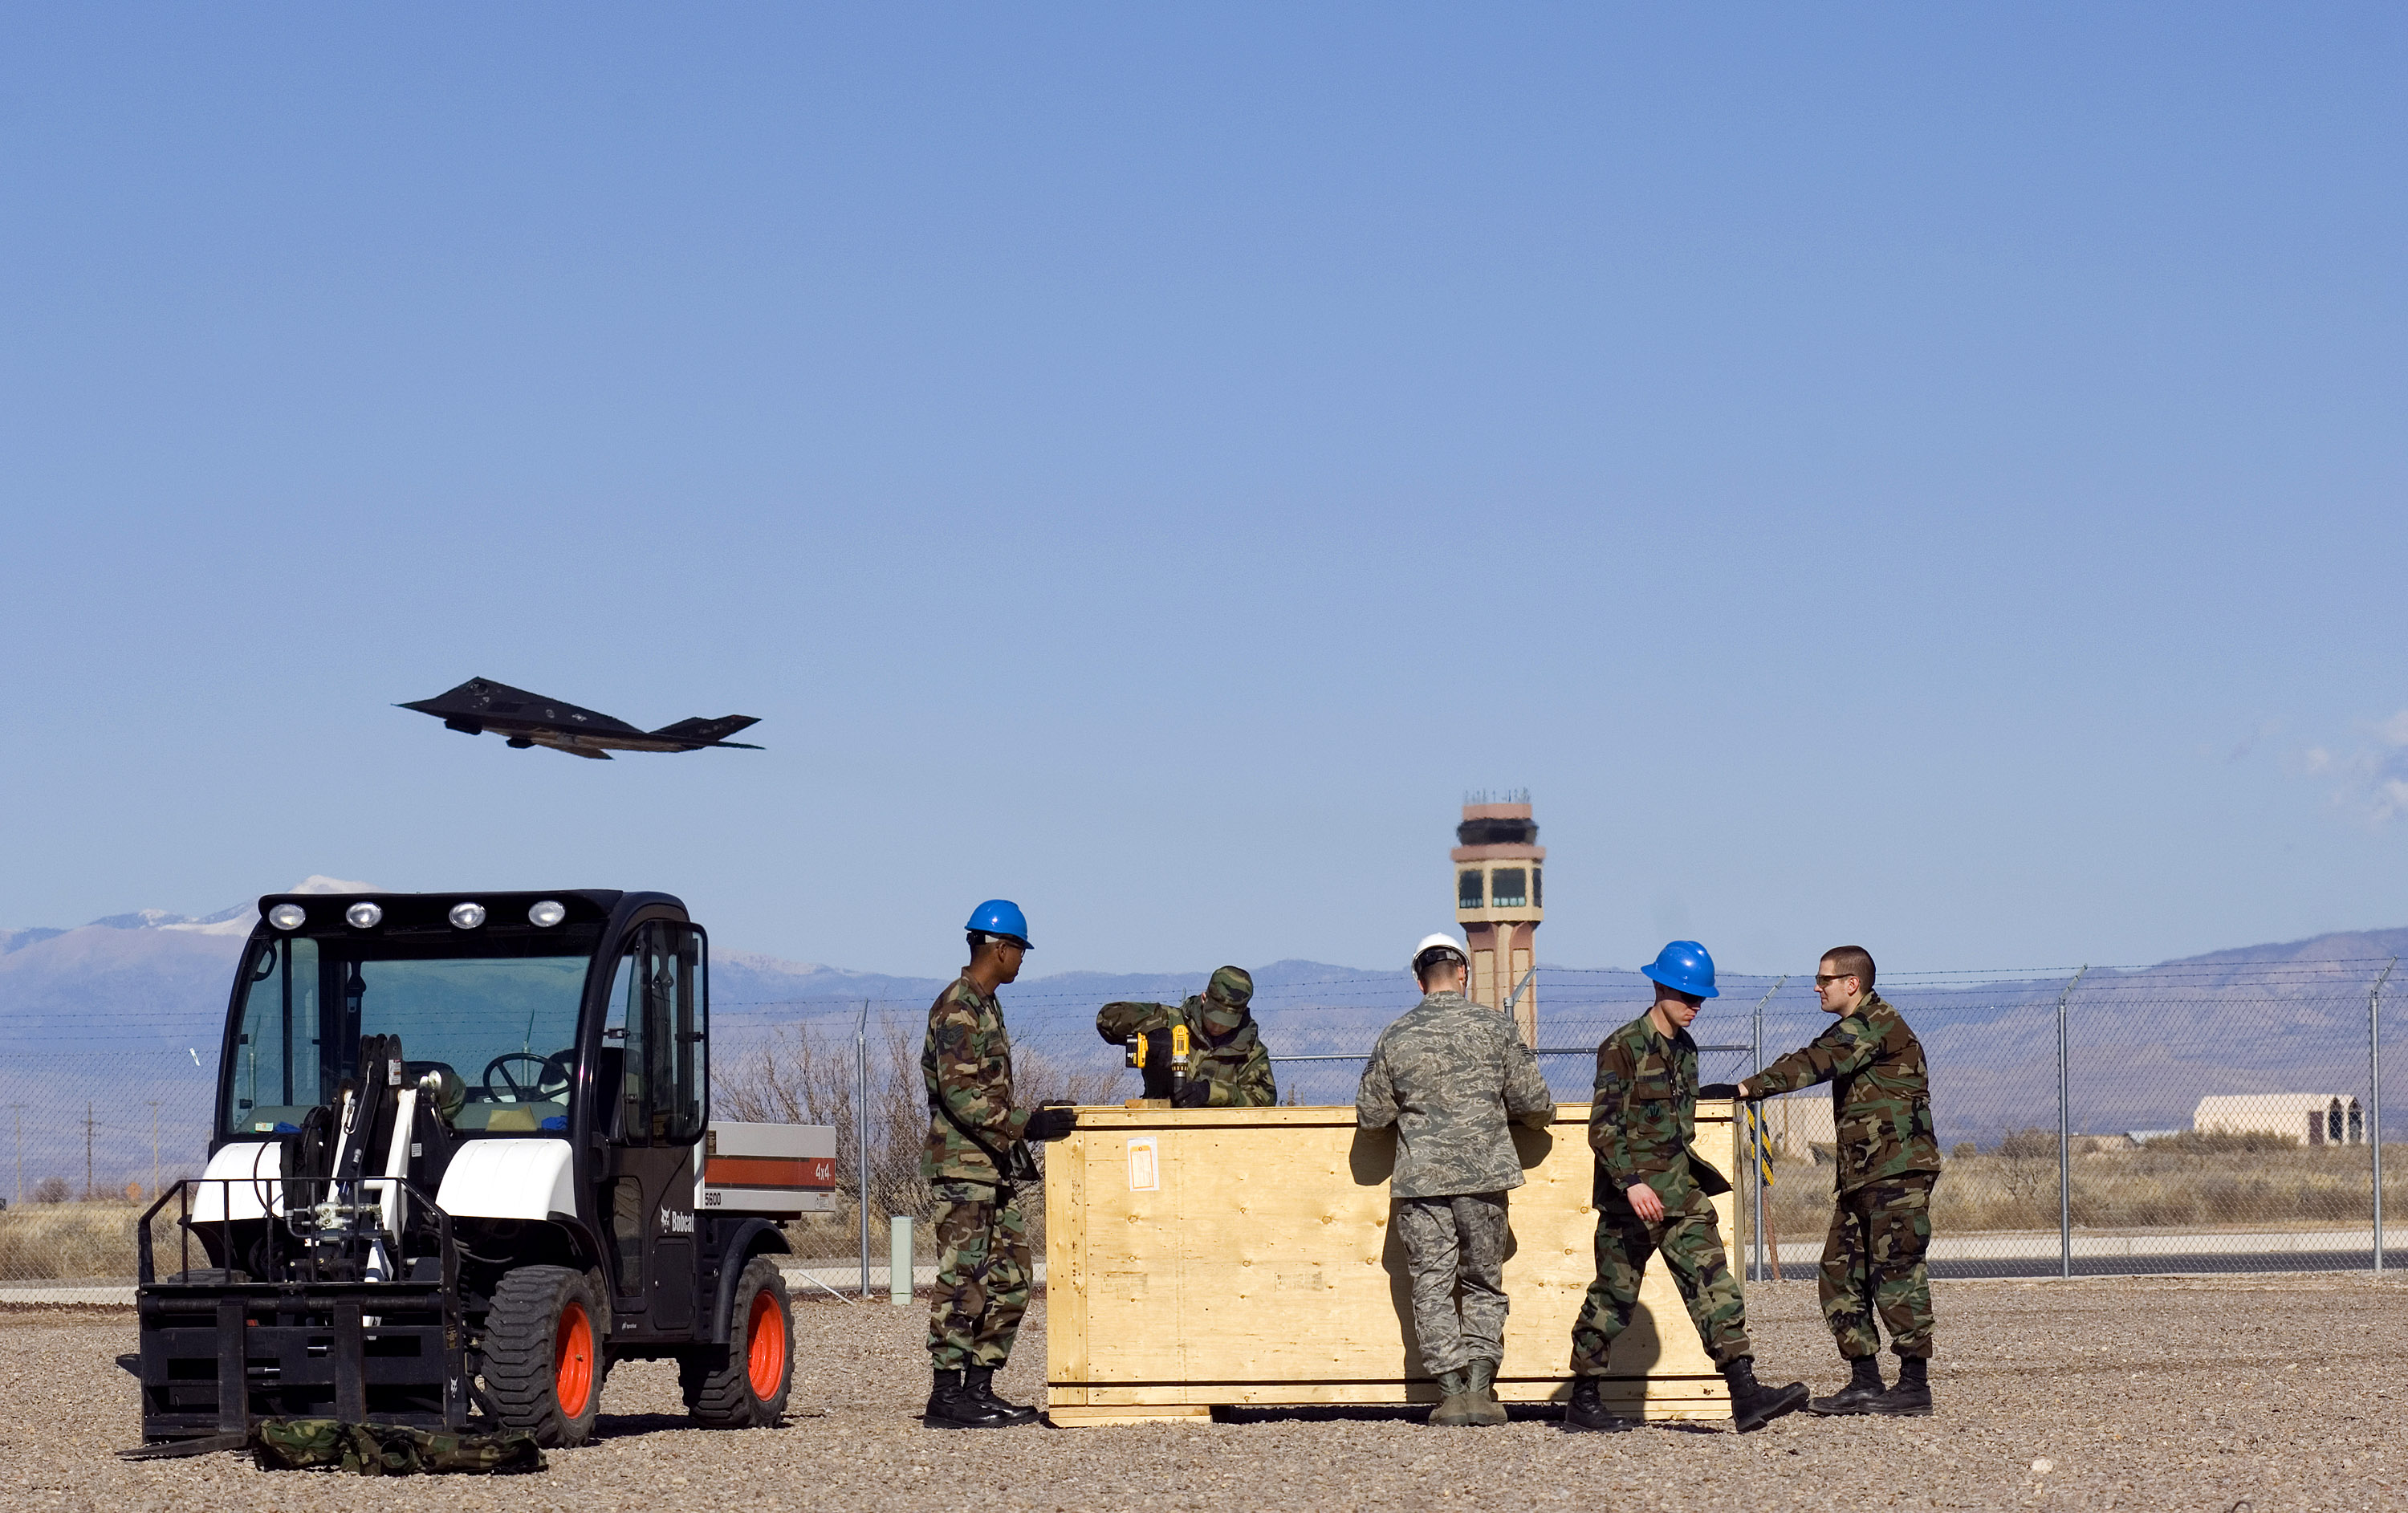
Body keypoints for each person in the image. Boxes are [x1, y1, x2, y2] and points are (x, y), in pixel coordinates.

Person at [1568, 940, 1808, 1434]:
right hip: (1631, 1201)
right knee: (1614, 1298)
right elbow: (1604, 1128)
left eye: (1701, 999)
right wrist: (1631, 1184)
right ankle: (1583, 1399)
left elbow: (1680, 1128)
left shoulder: (1687, 1051)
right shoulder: (1623, 1047)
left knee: (1716, 1287)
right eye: (1686, 996)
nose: (1695, 1006)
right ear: (1660, 987)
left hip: (1681, 1193)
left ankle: (1745, 1394)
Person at [1710, 945, 1938, 1417]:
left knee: (1895, 1272)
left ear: (1851, 983)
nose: (1817, 987)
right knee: (1840, 1273)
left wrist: (1745, 1089)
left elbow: (1815, 1062)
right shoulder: (1853, 1028)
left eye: (1825, 979)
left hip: (1896, 1171)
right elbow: (1818, 1054)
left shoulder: (1874, 1024)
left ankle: (1914, 1385)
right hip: (1864, 1174)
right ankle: (1866, 1381)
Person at [1357, 933, 1555, 1428]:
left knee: (1432, 1285)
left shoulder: (1395, 1036)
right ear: (1463, 973)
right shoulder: (1497, 1030)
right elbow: (1535, 1106)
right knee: (1484, 1282)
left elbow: (1371, 1116)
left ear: (1419, 980)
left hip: (1421, 1182)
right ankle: (1483, 1391)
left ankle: (1450, 1394)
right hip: (1485, 1178)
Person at [920, 899, 1076, 1429]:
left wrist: (1024, 1125)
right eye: (1019, 951)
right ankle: (947, 1395)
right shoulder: (957, 1008)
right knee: (964, 1276)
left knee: (1012, 1275)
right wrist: (1025, 1124)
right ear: (1000, 949)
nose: (1021, 961)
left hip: (991, 1167)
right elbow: (961, 1094)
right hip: (963, 1169)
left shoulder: (986, 1005)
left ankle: (979, 1387)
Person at [1094, 966, 1278, 1107]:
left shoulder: (1249, 1047)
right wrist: (1154, 1031)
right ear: (1204, 998)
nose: (1218, 1026)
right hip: (1159, 1122)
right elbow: (1107, 1017)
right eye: (1214, 1017)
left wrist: (1210, 1092)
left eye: (1227, 1022)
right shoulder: (1171, 1020)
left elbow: (1264, 1098)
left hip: (1217, 1135)